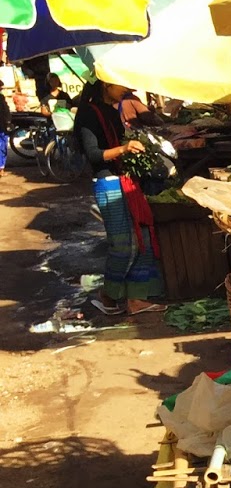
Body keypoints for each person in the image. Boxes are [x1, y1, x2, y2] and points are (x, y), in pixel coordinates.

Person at [75, 78, 164, 316]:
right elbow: (93, 155)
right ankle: (108, 295)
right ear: (106, 84)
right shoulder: (88, 114)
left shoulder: (113, 111)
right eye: (120, 83)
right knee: (123, 245)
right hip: (108, 185)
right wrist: (124, 149)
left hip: (126, 182)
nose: (126, 88)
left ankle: (136, 299)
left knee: (143, 240)